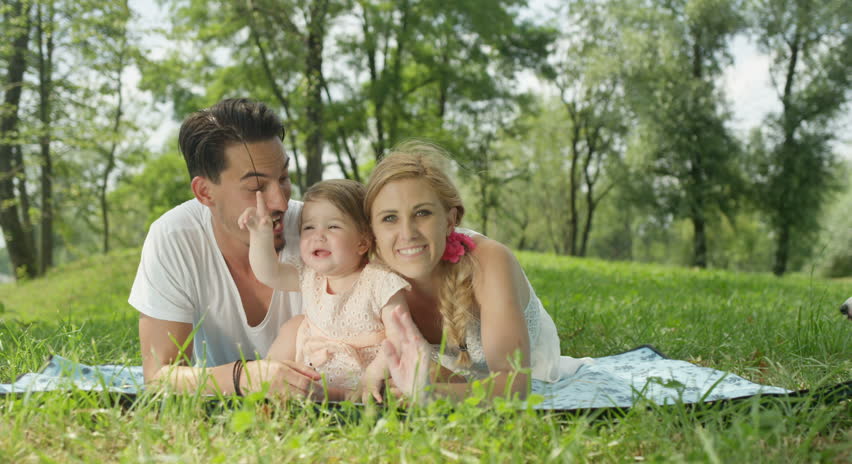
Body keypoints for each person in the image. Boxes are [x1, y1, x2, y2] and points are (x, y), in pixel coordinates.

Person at [364, 144, 593, 400]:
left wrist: (431, 395)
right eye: (389, 218)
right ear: (372, 230)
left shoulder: (488, 262)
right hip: (445, 376)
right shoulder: (372, 277)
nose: (408, 233)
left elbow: (515, 385)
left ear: (450, 220)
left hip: (521, 374)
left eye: (422, 213)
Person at [128, 98, 321, 397]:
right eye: (256, 187)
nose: (280, 202)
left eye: (283, 178)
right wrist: (244, 377)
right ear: (205, 192)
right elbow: (158, 376)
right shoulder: (175, 237)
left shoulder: (323, 234)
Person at [238, 179, 409, 401]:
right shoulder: (310, 275)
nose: (318, 235)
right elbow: (269, 273)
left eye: (333, 227)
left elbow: (401, 337)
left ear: (363, 242)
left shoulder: (380, 281)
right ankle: (268, 387)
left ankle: (346, 398)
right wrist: (260, 235)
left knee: (392, 391)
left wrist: (374, 374)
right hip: (313, 368)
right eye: (309, 227)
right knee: (293, 327)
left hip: (367, 375)